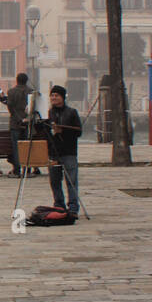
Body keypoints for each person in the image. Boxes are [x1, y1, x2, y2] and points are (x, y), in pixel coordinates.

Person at [46, 85, 83, 217]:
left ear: (62, 97)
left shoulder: (72, 112)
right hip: (54, 152)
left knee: (71, 181)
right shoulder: (50, 113)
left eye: (56, 95)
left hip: (69, 151)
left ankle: (73, 208)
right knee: (54, 181)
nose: (54, 98)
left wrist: (63, 131)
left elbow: (78, 132)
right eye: (52, 95)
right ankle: (58, 206)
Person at [6, 73, 39, 178]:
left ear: (17, 80)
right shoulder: (31, 92)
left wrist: (18, 118)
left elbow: (10, 108)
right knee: (26, 147)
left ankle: (16, 169)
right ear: (26, 80)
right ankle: (27, 169)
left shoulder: (11, 92)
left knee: (16, 147)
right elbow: (34, 108)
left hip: (15, 123)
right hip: (28, 123)